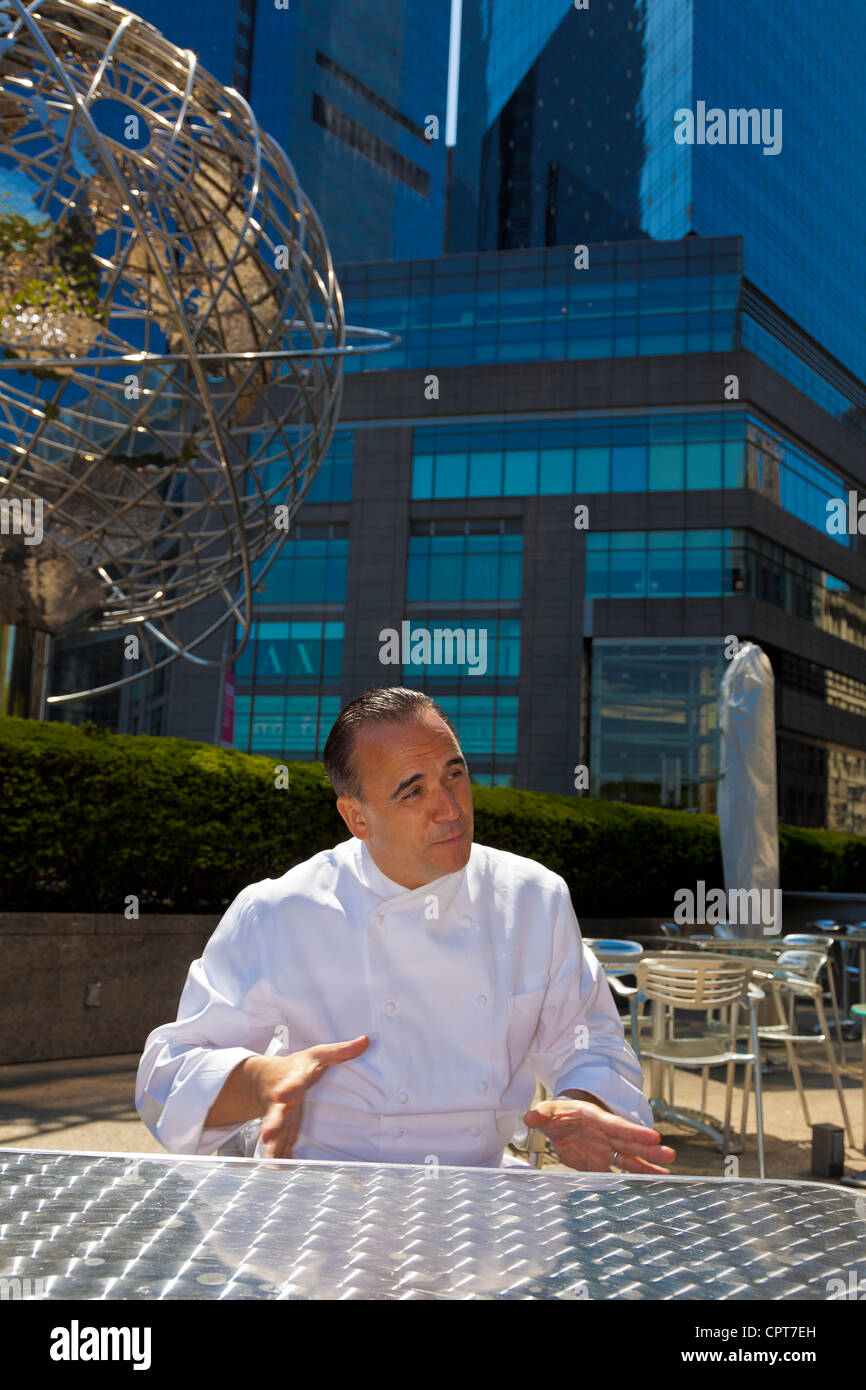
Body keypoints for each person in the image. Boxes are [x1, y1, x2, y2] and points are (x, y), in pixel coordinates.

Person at [136, 687, 674, 1174]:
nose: (450, 808)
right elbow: (167, 1074)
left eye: (454, 774)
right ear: (357, 819)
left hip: (479, 1192)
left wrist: (587, 1103)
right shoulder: (280, 910)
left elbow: (588, 1040)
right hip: (325, 1195)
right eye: (412, 792)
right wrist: (259, 1082)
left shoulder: (534, 897)